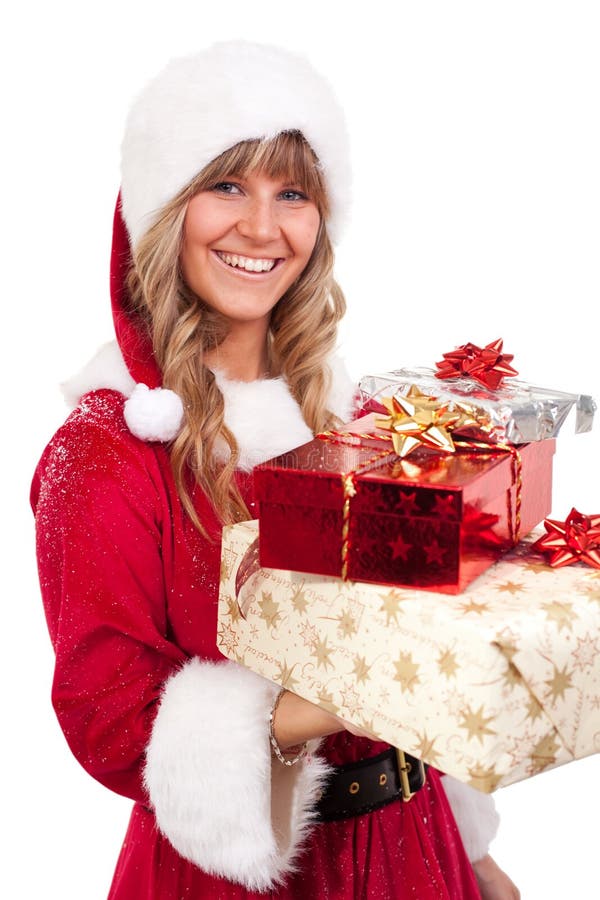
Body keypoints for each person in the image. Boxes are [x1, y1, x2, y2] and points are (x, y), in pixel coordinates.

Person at [32, 41, 520, 899]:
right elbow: (111, 719)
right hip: (240, 878)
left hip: (417, 849)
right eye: (226, 185)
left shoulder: (353, 418)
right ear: (162, 210)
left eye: (292, 192)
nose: (262, 228)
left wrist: (474, 853)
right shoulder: (104, 450)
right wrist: (356, 688)